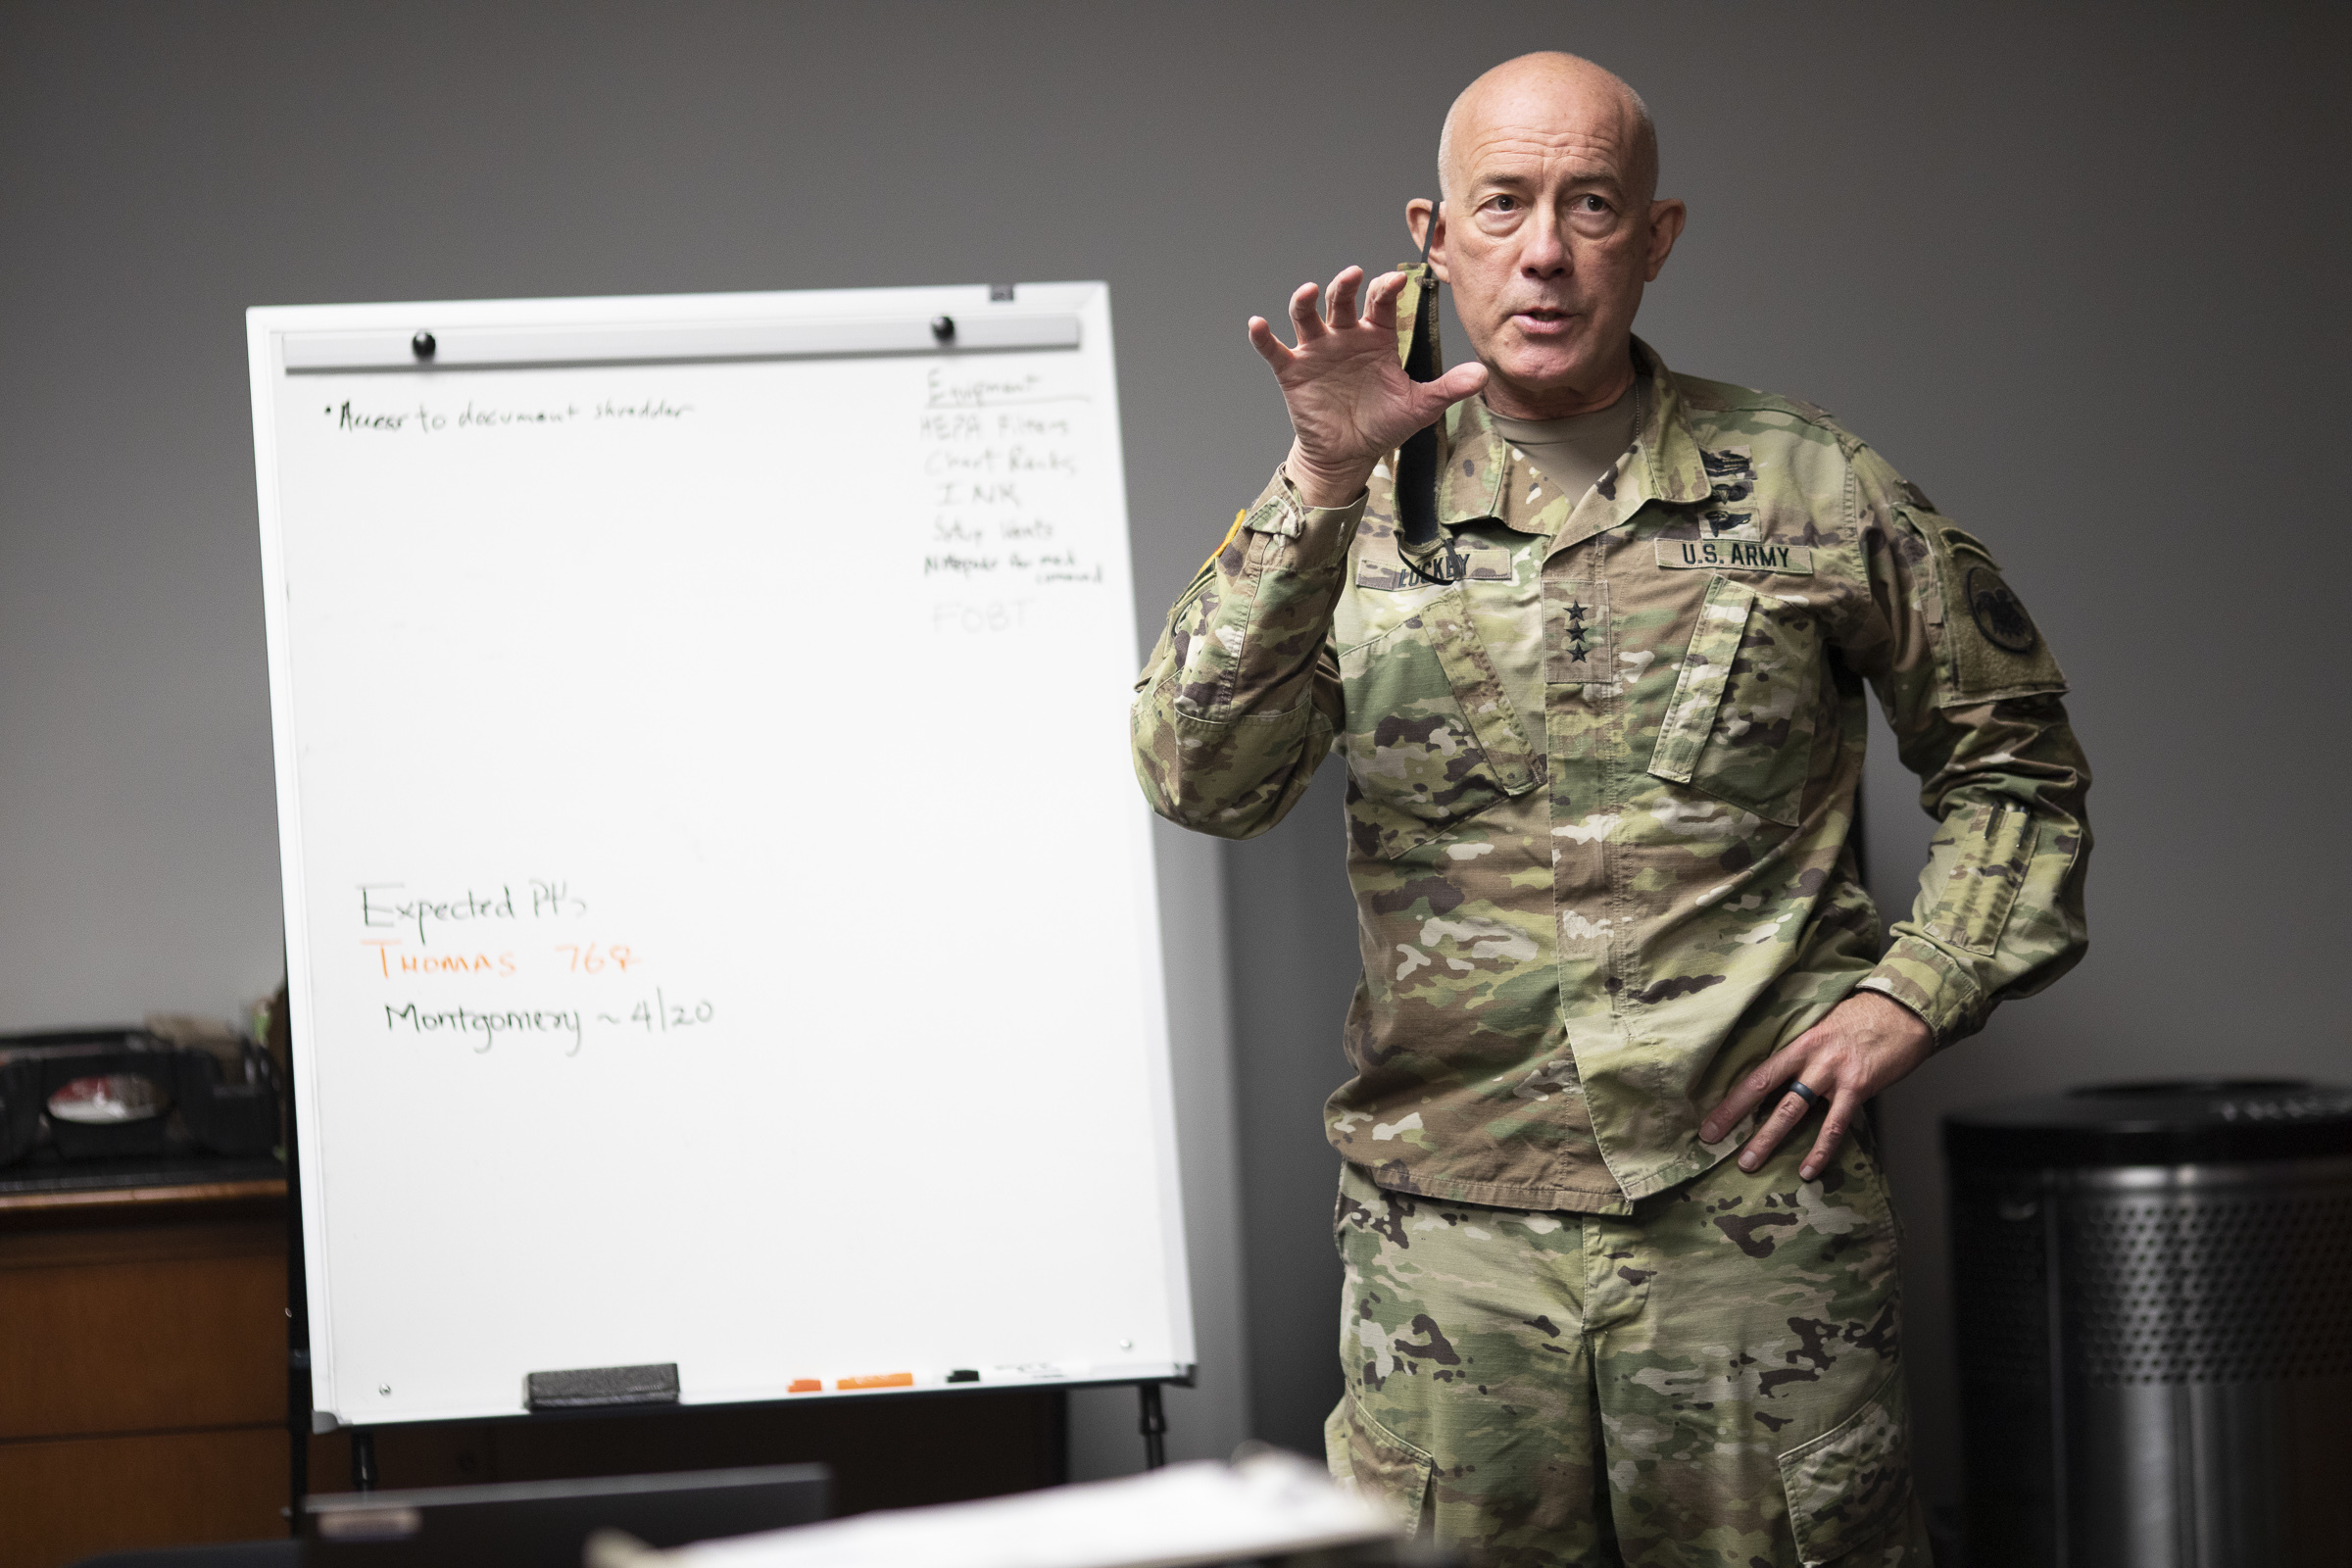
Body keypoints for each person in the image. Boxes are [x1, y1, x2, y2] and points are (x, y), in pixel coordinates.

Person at [1130, 50, 2089, 1568]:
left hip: (1753, 1226)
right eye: (1502, 204)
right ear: (1431, 236)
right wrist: (1319, 478)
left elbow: (2015, 768)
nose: (1547, 250)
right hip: (1451, 1237)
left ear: (1657, 237)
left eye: (1592, 205)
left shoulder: (1808, 488)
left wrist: (1923, 985)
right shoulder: (1356, 497)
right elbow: (1201, 783)